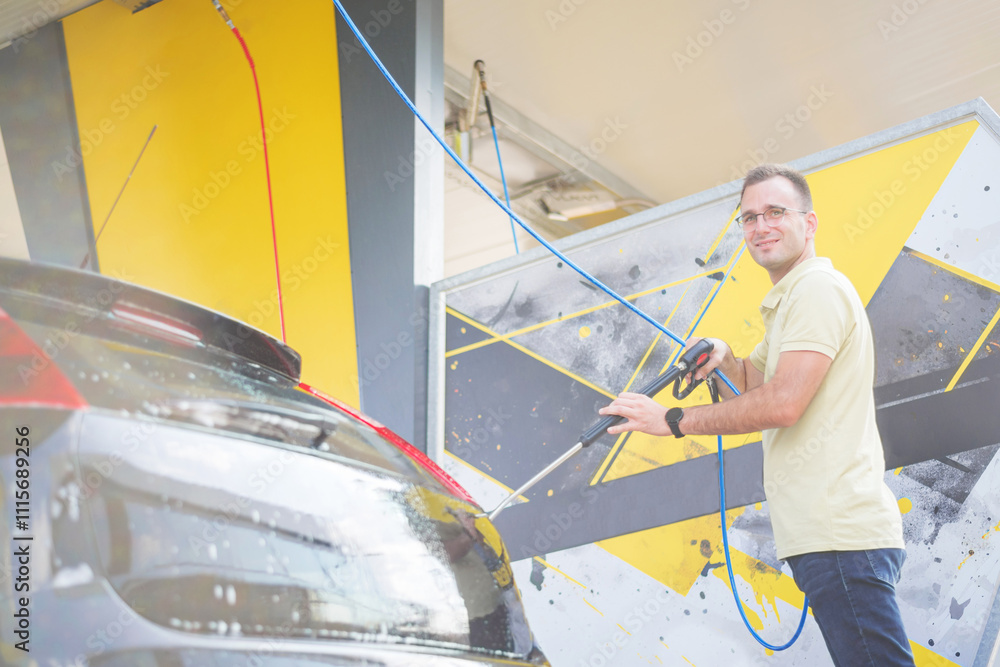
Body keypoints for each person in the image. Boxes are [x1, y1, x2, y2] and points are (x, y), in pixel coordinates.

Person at [599, 164, 914, 666]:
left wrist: (673, 420)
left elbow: (783, 404)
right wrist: (725, 355)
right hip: (827, 537)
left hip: (839, 534)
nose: (760, 226)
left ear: (809, 224)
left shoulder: (816, 291)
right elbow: (757, 383)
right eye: (748, 218)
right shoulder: (791, 300)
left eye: (774, 212)